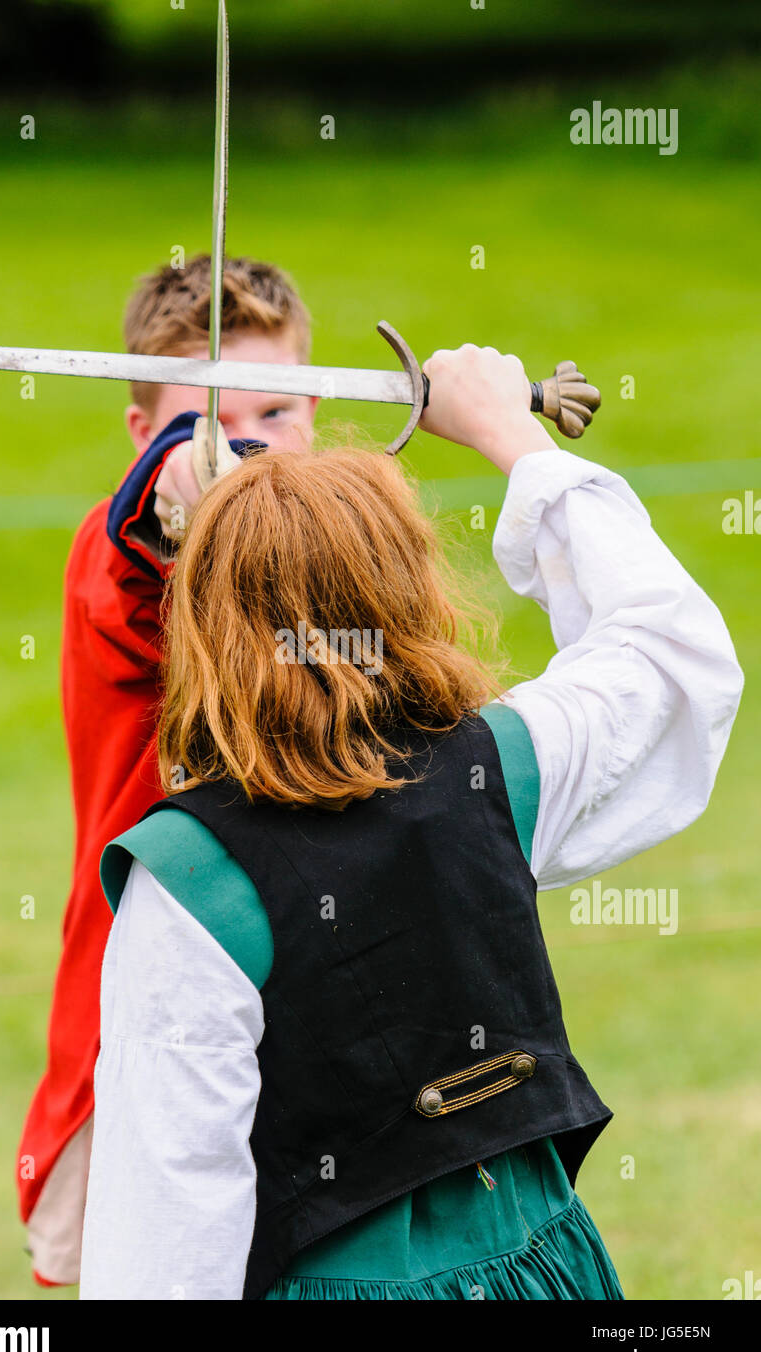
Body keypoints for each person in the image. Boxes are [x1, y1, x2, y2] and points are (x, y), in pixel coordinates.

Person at [78, 344, 743, 1300]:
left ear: (206, 626)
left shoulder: (189, 882)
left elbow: (166, 1234)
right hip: (543, 1268)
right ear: (409, 593)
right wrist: (509, 435)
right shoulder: (505, 768)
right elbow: (671, 651)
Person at [16, 254, 318, 1287]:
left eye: (276, 411)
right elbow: (132, 570)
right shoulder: (118, 561)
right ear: (146, 436)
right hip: (150, 1024)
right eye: (207, 422)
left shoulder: (346, 564)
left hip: (321, 1016)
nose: (249, 447)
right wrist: (178, 502)